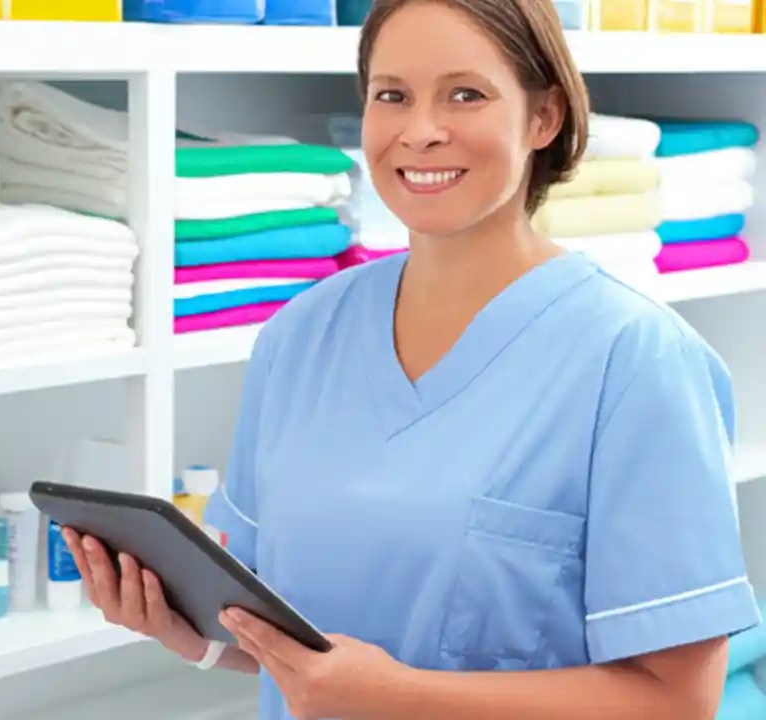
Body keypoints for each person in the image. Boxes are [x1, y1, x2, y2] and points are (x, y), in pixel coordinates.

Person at [63, 0, 762, 718]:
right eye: (391, 95)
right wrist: (191, 633)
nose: (421, 131)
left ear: (544, 118)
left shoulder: (637, 360)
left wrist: (404, 698)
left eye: (466, 94)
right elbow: (299, 646)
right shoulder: (300, 337)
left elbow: (679, 701)